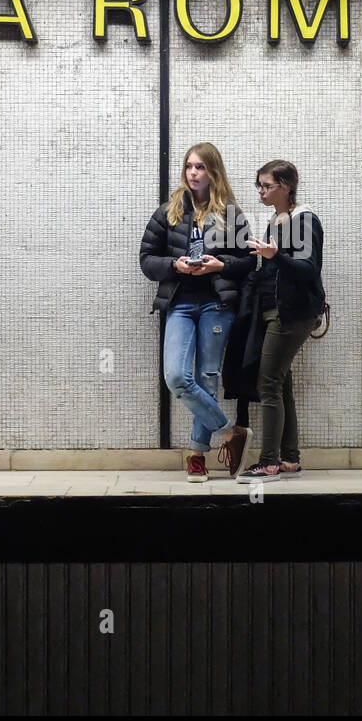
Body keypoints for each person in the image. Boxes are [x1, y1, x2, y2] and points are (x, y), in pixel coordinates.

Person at [139, 143, 254, 481]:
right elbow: (146, 259)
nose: (193, 173)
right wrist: (173, 265)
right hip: (181, 303)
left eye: (201, 167)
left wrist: (221, 264)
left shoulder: (231, 214)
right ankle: (231, 433)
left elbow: (250, 261)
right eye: (189, 166)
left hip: (217, 304)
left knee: (207, 377)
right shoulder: (168, 212)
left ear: (213, 171)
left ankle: (197, 455)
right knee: (176, 376)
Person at [235, 160, 325, 482]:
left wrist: (277, 257)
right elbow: (273, 268)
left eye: (267, 186)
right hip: (278, 312)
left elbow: (308, 269)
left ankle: (268, 462)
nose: (261, 192)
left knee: (269, 383)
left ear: (286, 186)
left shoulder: (303, 220)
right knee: (281, 384)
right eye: (258, 186)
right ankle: (289, 459)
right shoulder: (277, 220)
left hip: (293, 313)